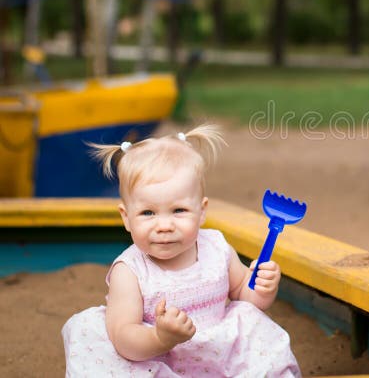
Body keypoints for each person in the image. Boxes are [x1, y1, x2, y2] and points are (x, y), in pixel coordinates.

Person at [62, 124, 300, 377]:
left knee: (256, 332)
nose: (164, 226)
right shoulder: (130, 271)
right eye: (147, 213)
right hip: (156, 360)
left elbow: (246, 297)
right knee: (96, 344)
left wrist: (262, 287)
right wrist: (160, 337)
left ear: (202, 211)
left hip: (219, 354)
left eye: (179, 210)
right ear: (126, 217)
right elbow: (124, 338)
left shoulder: (216, 247)